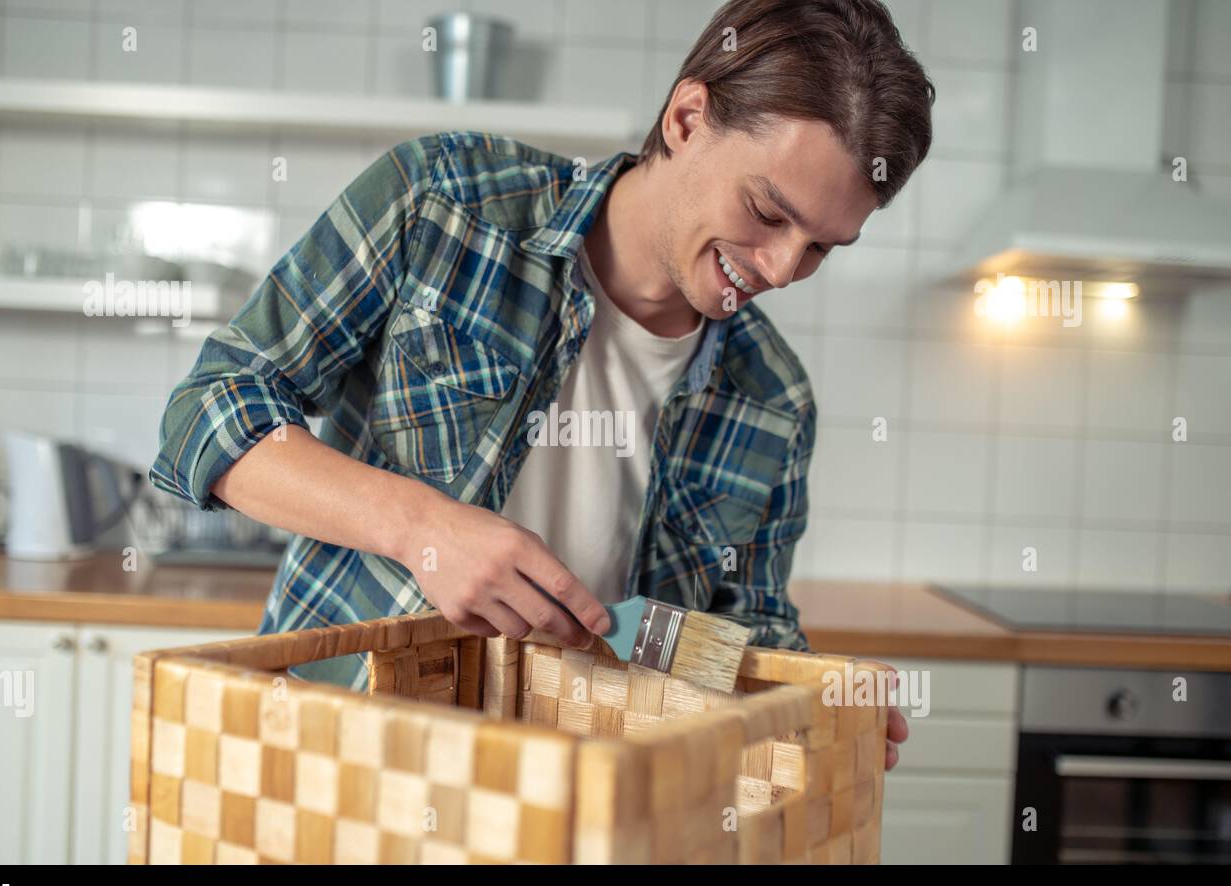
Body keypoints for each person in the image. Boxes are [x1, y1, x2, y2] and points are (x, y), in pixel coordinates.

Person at [151, 0, 933, 771]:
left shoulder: (774, 399)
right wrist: (424, 529)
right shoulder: (445, 204)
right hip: (341, 767)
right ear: (687, 118)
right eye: (767, 212)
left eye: (822, 248)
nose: (781, 270)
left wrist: (811, 697)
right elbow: (209, 412)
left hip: (585, 808)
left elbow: (732, 637)